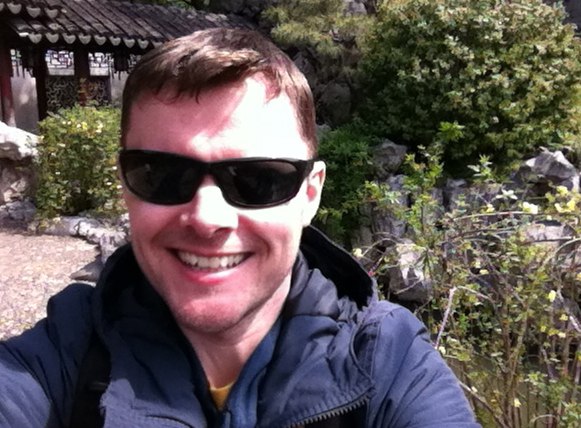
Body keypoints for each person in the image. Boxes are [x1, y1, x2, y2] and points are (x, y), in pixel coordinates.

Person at [0, 28, 480, 427]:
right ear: (127, 185)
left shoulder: (388, 360)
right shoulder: (61, 357)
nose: (207, 217)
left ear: (309, 194)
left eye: (259, 180)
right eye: (161, 175)